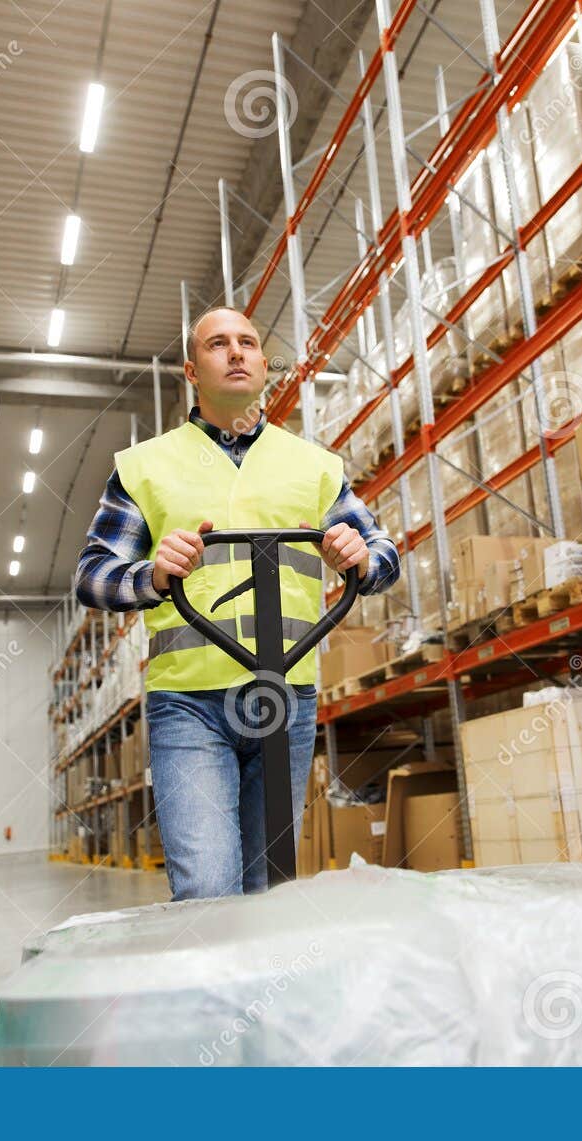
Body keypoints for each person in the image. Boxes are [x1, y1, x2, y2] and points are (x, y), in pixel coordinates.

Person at [74, 307, 399, 900]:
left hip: (287, 696)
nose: (237, 352)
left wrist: (360, 555)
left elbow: (384, 556)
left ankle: (262, 996)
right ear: (191, 371)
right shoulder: (144, 467)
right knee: (206, 888)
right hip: (190, 703)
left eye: (248, 342)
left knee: (270, 889)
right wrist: (151, 573)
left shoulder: (314, 466)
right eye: (217, 344)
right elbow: (93, 576)